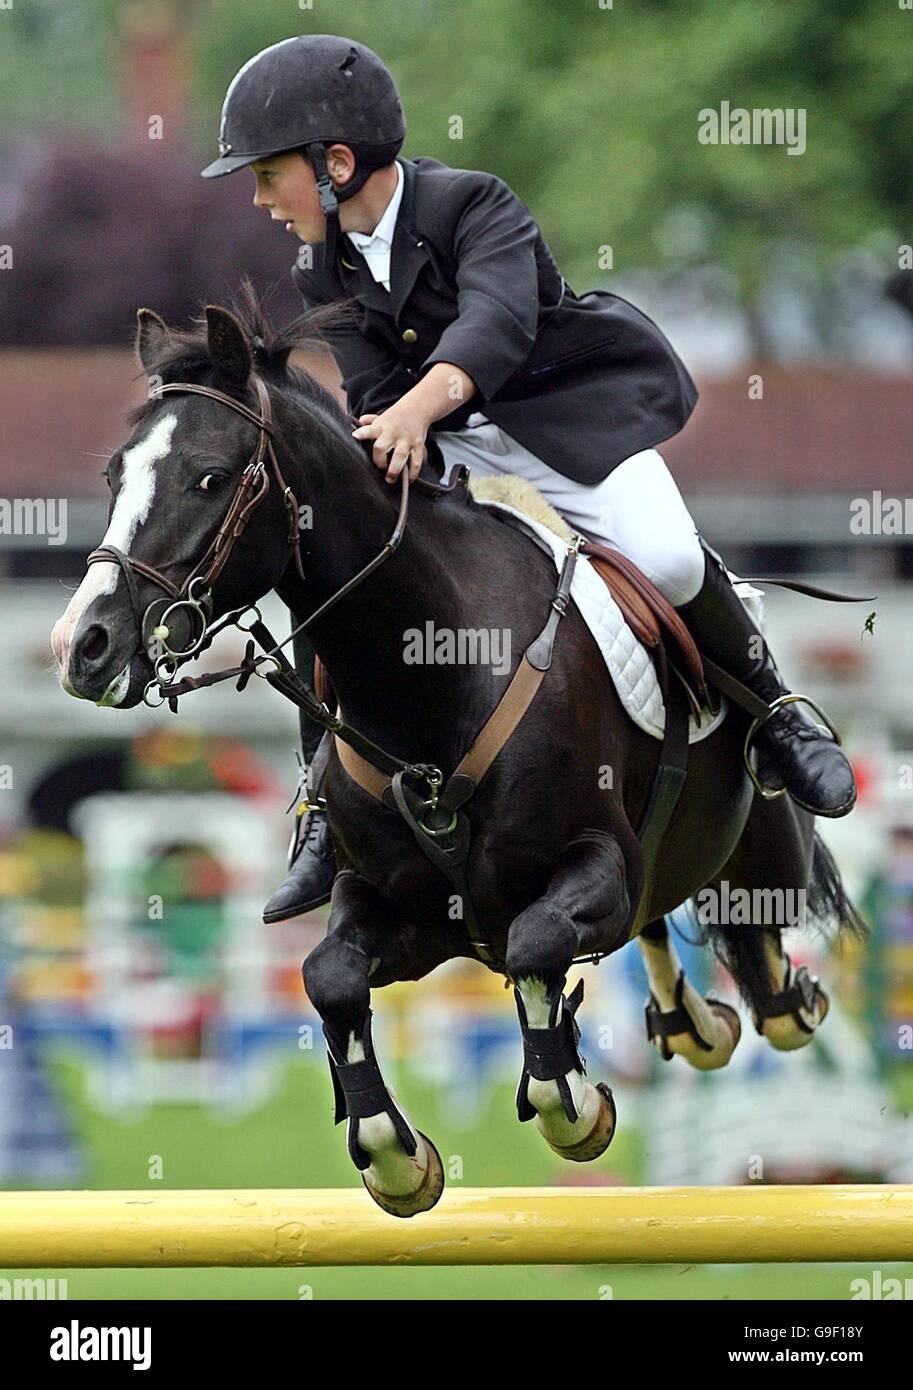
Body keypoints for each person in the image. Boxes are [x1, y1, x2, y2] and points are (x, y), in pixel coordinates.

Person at [201, 34, 857, 924]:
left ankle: (778, 716)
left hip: (565, 428)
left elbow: (498, 326)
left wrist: (413, 412)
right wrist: (380, 442)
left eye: (266, 174)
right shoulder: (321, 266)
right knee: (339, 565)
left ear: (336, 164)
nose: (259, 198)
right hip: (452, 450)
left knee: (667, 558)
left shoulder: (473, 203)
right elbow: (371, 387)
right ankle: (322, 808)